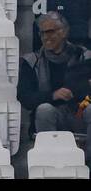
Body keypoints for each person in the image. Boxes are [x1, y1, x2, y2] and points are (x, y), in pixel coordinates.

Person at [18, 12, 88, 141]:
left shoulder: (85, 56)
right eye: (42, 33)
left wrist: (78, 92)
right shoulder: (31, 62)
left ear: (64, 32)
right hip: (50, 114)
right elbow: (25, 98)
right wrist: (53, 95)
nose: (45, 37)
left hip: (79, 112)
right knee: (44, 109)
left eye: (50, 32)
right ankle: (49, 157)